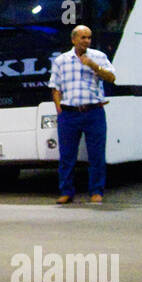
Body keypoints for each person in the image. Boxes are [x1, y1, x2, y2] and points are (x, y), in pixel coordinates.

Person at [49, 25, 116, 204]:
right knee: (67, 156)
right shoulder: (61, 61)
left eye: (89, 38)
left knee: (96, 155)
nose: (87, 41)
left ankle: (96, 191)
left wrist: (93, 66)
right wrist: (59, 109)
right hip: (69, 114)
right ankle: (66, 191)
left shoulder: (98, 57)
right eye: (83, 37)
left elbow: (112, 78)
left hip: (93, 112)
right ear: (73, 40)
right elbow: (55, 87)